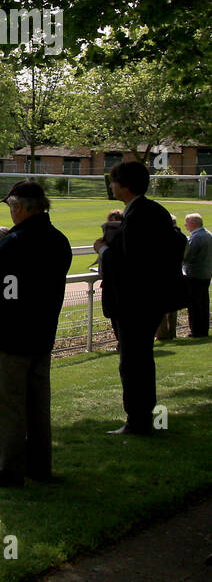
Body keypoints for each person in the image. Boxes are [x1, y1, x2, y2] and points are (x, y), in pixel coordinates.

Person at [0, 181, 73, 486]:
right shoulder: (58, 239)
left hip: (8, 336)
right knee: (37, 406)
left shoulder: (16, 242)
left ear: (20, 207)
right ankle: (39, 467)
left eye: (12, 207)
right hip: (40, 334)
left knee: (7, 406)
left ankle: (7, 471)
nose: (12, 212)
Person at [98, 160, 182, 435]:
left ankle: (138, 420)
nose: (111, 186)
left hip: (135, 302)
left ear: (123, 185)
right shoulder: (154, 210)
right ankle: (141, 416)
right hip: (151, 299)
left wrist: (103, 250)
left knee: (134, 362)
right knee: (141, 359)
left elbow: (129, 261)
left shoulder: (137, 215)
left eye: (113, 181)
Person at [184, 213, 211, 338]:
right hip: (206, 273)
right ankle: (203, 329)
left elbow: (188, 256)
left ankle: (196, 330)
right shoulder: (208, 234)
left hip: (195, 274)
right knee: (203, 303)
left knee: (194, 304)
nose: (185, 225)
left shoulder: (196, 238)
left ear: (194, 223)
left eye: (187, 222)